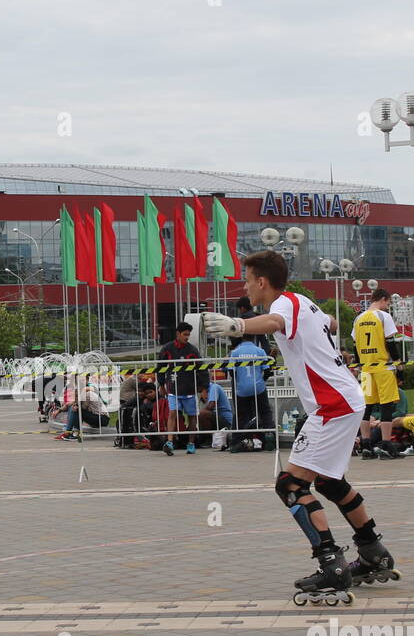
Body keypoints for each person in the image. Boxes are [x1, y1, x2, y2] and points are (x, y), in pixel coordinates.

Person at [204, 250, 400, 604]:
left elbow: (275, 324)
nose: (245, 287)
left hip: (332, 404)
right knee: (327, 481)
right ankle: (373, 552)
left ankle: (331, 564)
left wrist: (239, 326)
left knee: (290, 484)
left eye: (247, 280)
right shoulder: (302, 302)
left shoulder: (283, 307)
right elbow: (330, 322)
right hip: (345, 399)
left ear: (261, 281)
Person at [351, 288, 405, 459]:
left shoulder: (359, 318)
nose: (387, 307)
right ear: (382, 300)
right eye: (387, 303)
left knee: (366, 407)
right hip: (383, 367)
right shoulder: (383, 316)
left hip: (366, 369)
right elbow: (390, 342)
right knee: (386, 405)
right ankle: (386, 445)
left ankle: (366, 445)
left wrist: (360, 364)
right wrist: (398, 362)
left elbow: (355, 345)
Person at [158, 321, 202, 456]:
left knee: (192, 416)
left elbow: (201, 369)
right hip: (172, 388)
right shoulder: (167, 349)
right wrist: (161, 385)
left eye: (188, 335)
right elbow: (160, 369)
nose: (187, 337)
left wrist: (203, 387)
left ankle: (191, 443)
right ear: (178, 334)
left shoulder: (193, 350)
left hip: (189, 390)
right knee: (172, 414)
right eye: (185, 334)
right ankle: (170, 441)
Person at [227, 333, 274, 452]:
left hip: (242, 388)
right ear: (254, 338)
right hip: (258, 387)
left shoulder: (235, 352)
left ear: (242, 337)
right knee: (265, 411)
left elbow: (232, 372)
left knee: (240, 415)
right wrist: (261, 381)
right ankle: (269, 433)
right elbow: (267, 371)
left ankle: (237, 440)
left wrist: (239, 381)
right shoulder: (260, 351)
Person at [196, 373, 234, 449]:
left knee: (203, 414)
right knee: (200, 415)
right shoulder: (204, 392)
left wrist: (199, 414)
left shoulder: (214, 387)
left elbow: (211, 406)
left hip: (226, 421)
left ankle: (208, 439)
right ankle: (201, 439)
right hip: (216, 419)